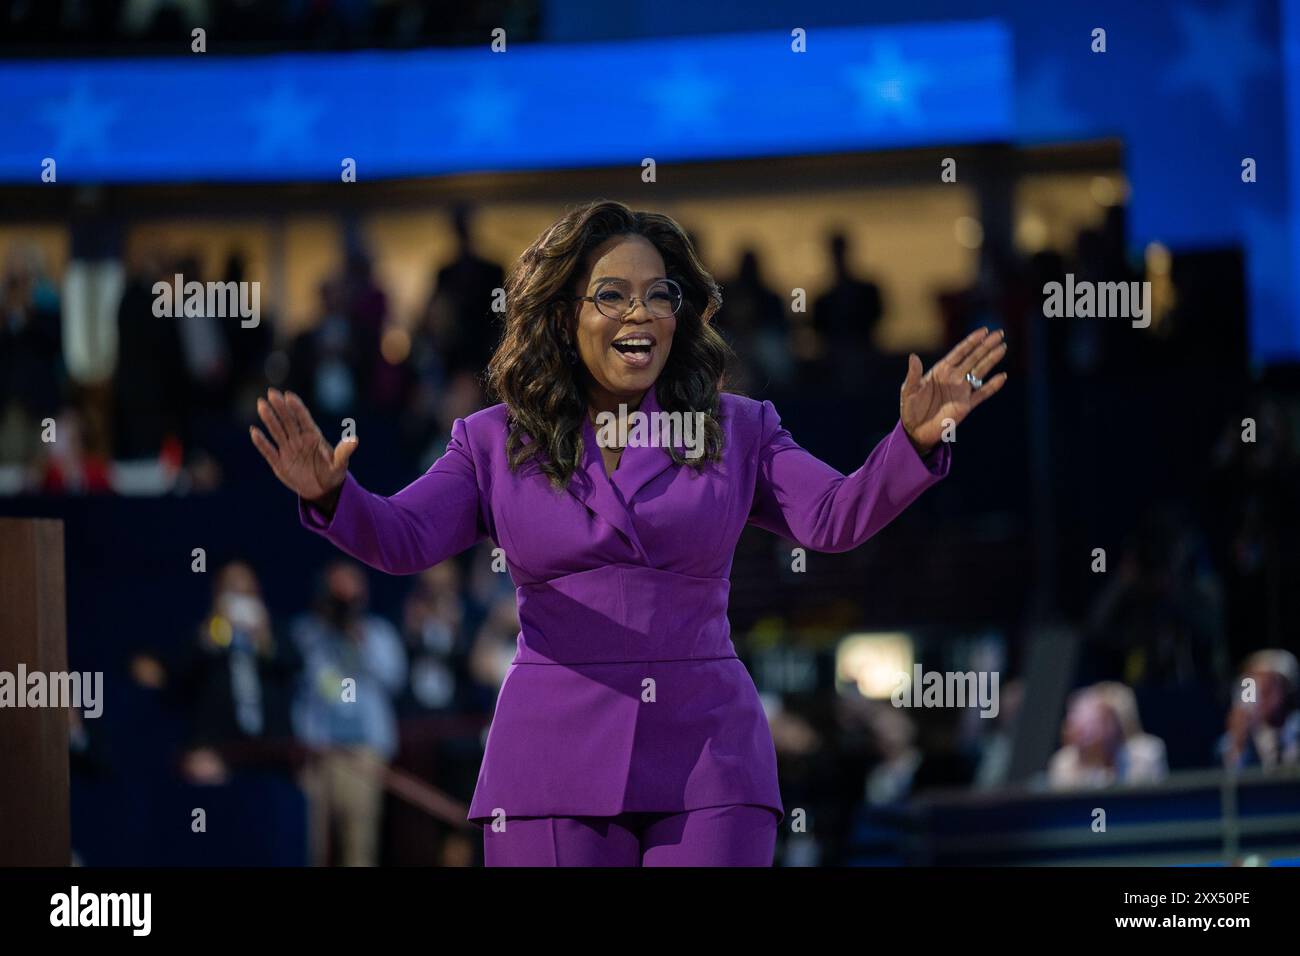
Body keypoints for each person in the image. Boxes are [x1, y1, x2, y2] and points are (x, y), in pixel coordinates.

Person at [250, 199, 1008, 867]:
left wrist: (911, 444)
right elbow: (403, 537)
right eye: (611, 295)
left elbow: (833, 518)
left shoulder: (739, 429)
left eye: (658, 295)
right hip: (548, 763)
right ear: (563, 315)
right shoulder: (490, 442)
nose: (638, 314)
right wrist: (331, 494)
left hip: (708, 760)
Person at [1047, 682, 1168, 790]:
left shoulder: (1146, 754)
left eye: (1097, 722)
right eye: (1081, 723)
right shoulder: (1064, 762)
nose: (1089, 732)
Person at [1220, 649, 1300, 770]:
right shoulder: (1229, 742)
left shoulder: (1295, 727)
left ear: (1287, 690)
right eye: (1254, 683)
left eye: (1271, 684)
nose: (1261, 692)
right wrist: (1239, 740)